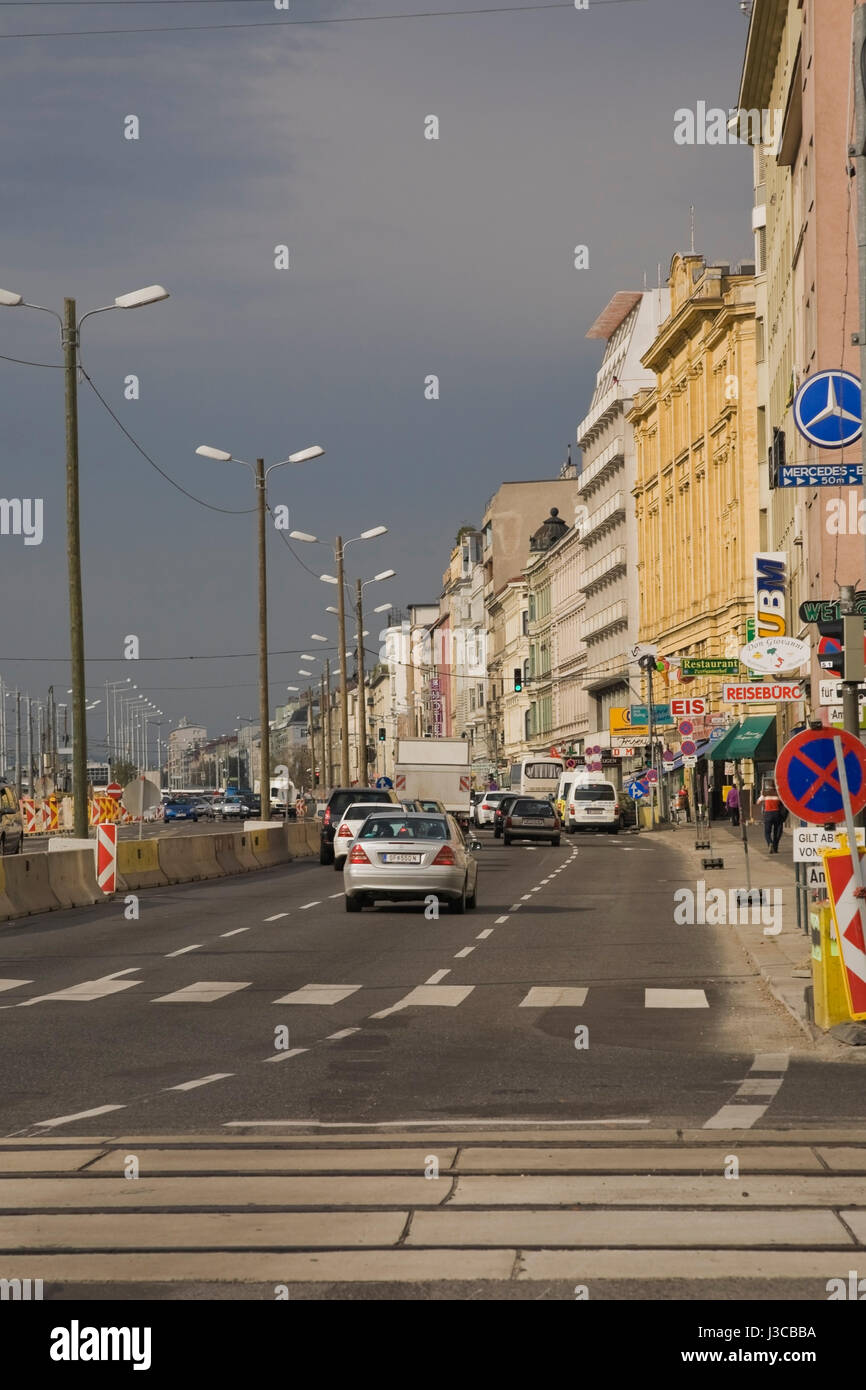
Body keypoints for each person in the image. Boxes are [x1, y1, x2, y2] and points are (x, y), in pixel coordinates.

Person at [757, 777, 785, 853]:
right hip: (777, 814)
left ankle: (770, 843)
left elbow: (758, 802)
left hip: (768, 814)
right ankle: (775, 848)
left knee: (767, 832)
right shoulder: (778, 794)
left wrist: (761, 795)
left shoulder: (765, 794)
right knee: (777, 832)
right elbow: (783, 803)